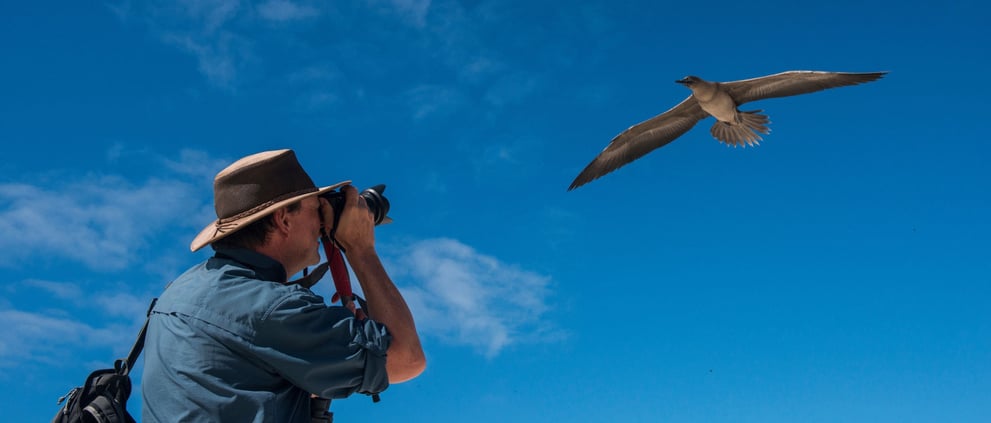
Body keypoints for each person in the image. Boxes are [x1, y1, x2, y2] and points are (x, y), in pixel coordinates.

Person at [141, 149, 426, 422]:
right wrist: (361, 249)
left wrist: (323, 359)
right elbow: (406, 358)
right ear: (284, 219)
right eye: (317, 209)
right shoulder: (268, 308)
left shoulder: (181, 290)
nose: (323, 222)